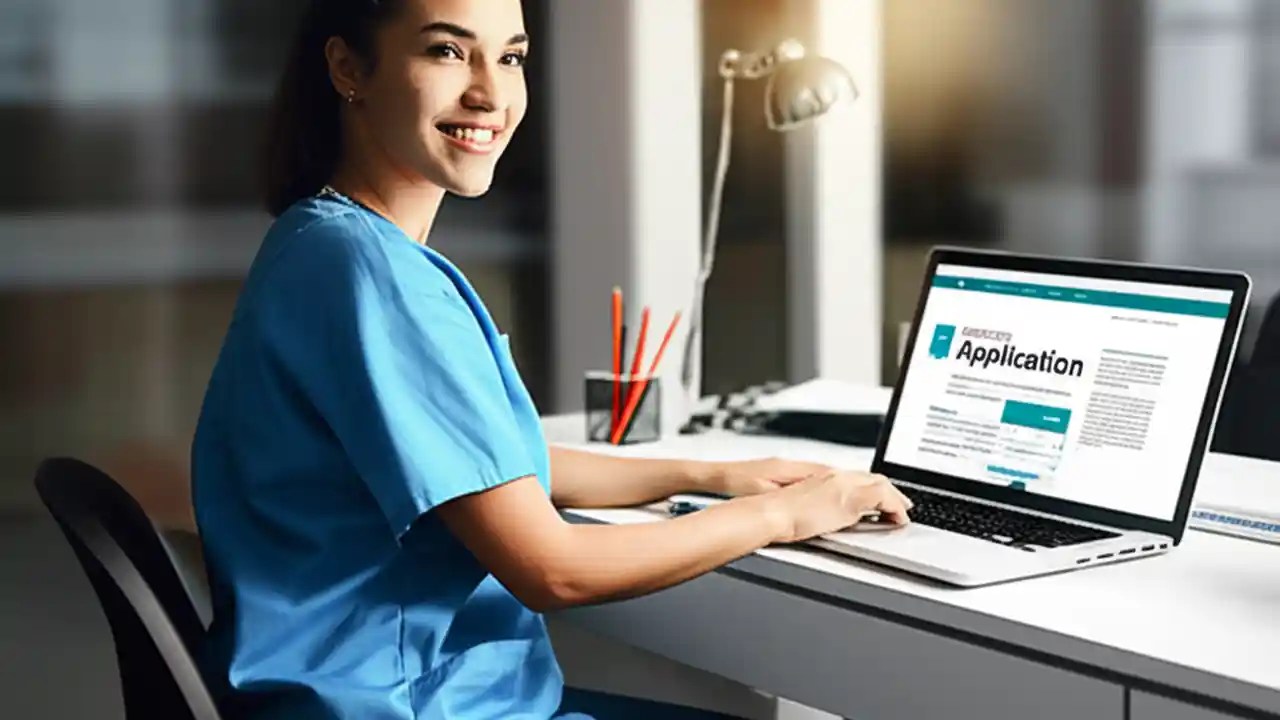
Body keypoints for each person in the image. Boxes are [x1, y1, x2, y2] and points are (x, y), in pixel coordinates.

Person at [190, 0, 913, 718]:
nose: (490, 93)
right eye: (446, 51)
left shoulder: (317, 241)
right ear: (349, 67)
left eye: (510, 57)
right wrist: (788, 516)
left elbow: (487, 463)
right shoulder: (371, 274)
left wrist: (709, 474)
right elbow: (553, 571)